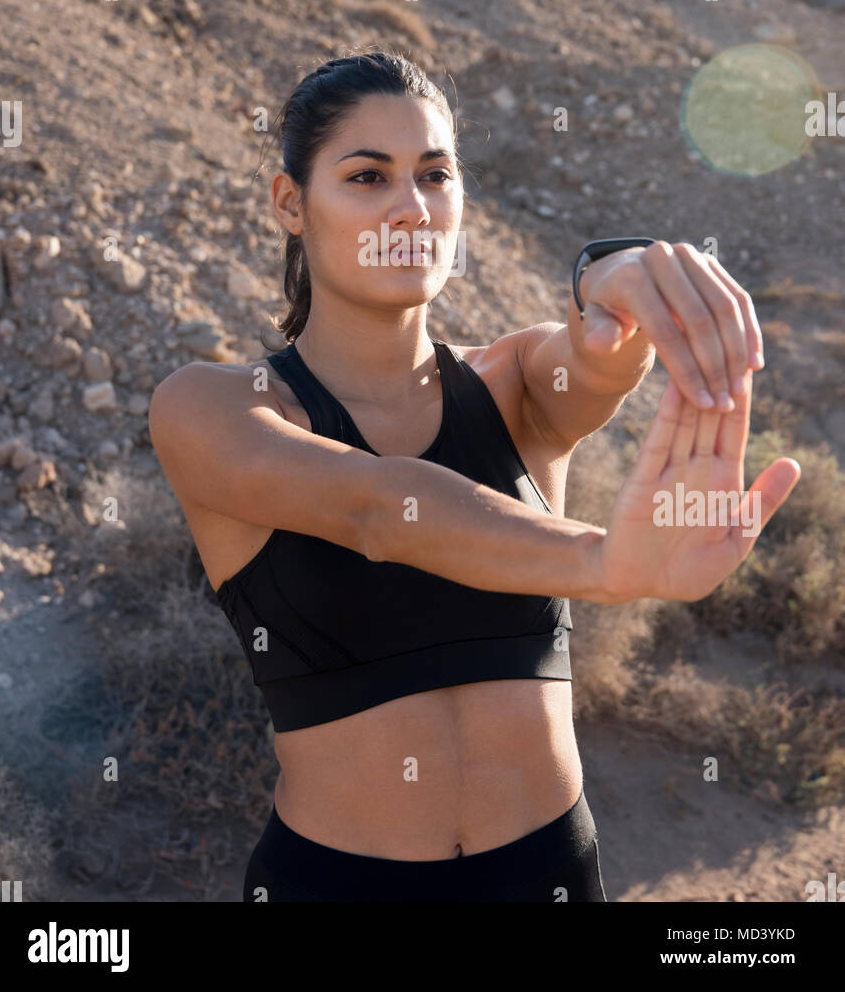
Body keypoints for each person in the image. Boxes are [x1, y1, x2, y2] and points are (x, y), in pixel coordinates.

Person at [149, 51, 801, 902]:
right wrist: (601, 563)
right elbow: (377, 508)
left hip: (550, 874)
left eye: (434, 174)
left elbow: (595, 354)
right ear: (290, 204)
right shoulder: (213, 407)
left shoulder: (517, 382)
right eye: (366, 176)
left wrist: (615, 274)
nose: (410, 208)